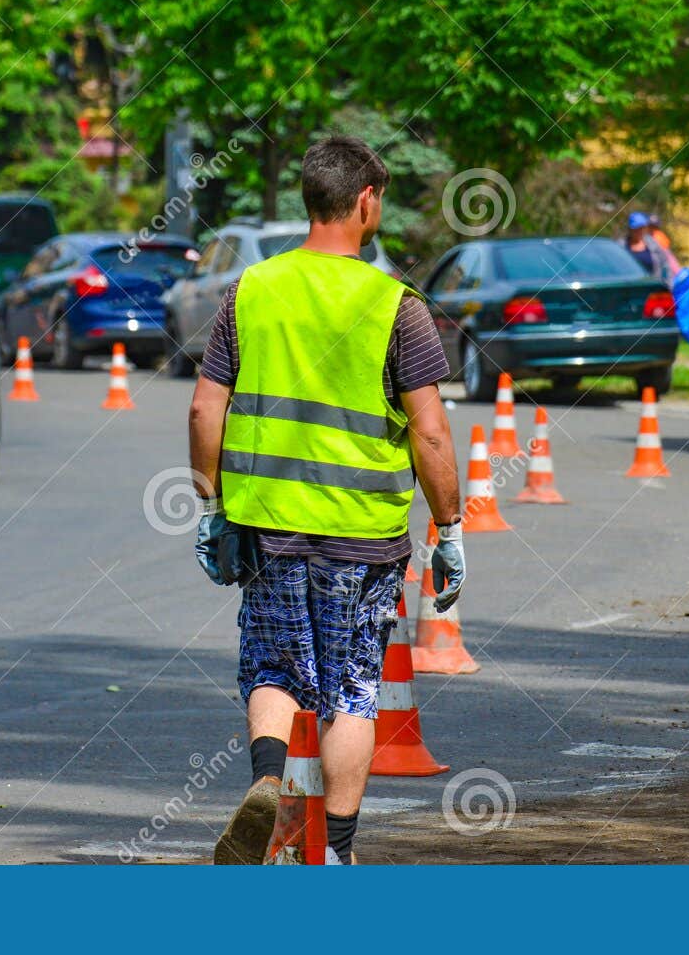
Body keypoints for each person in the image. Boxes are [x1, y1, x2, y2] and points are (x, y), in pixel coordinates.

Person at [187, 135, 465, 865]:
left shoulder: (251, 290)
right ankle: (335, 851)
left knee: (274, 667)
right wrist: (450, 526)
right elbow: (431, 434)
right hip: (362, 538)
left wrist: (212, 506)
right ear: (366, 203)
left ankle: (269, 784)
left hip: (267, 528)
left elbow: (203, 408)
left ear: (311, 199)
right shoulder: (394, 305)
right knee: (352, 687)